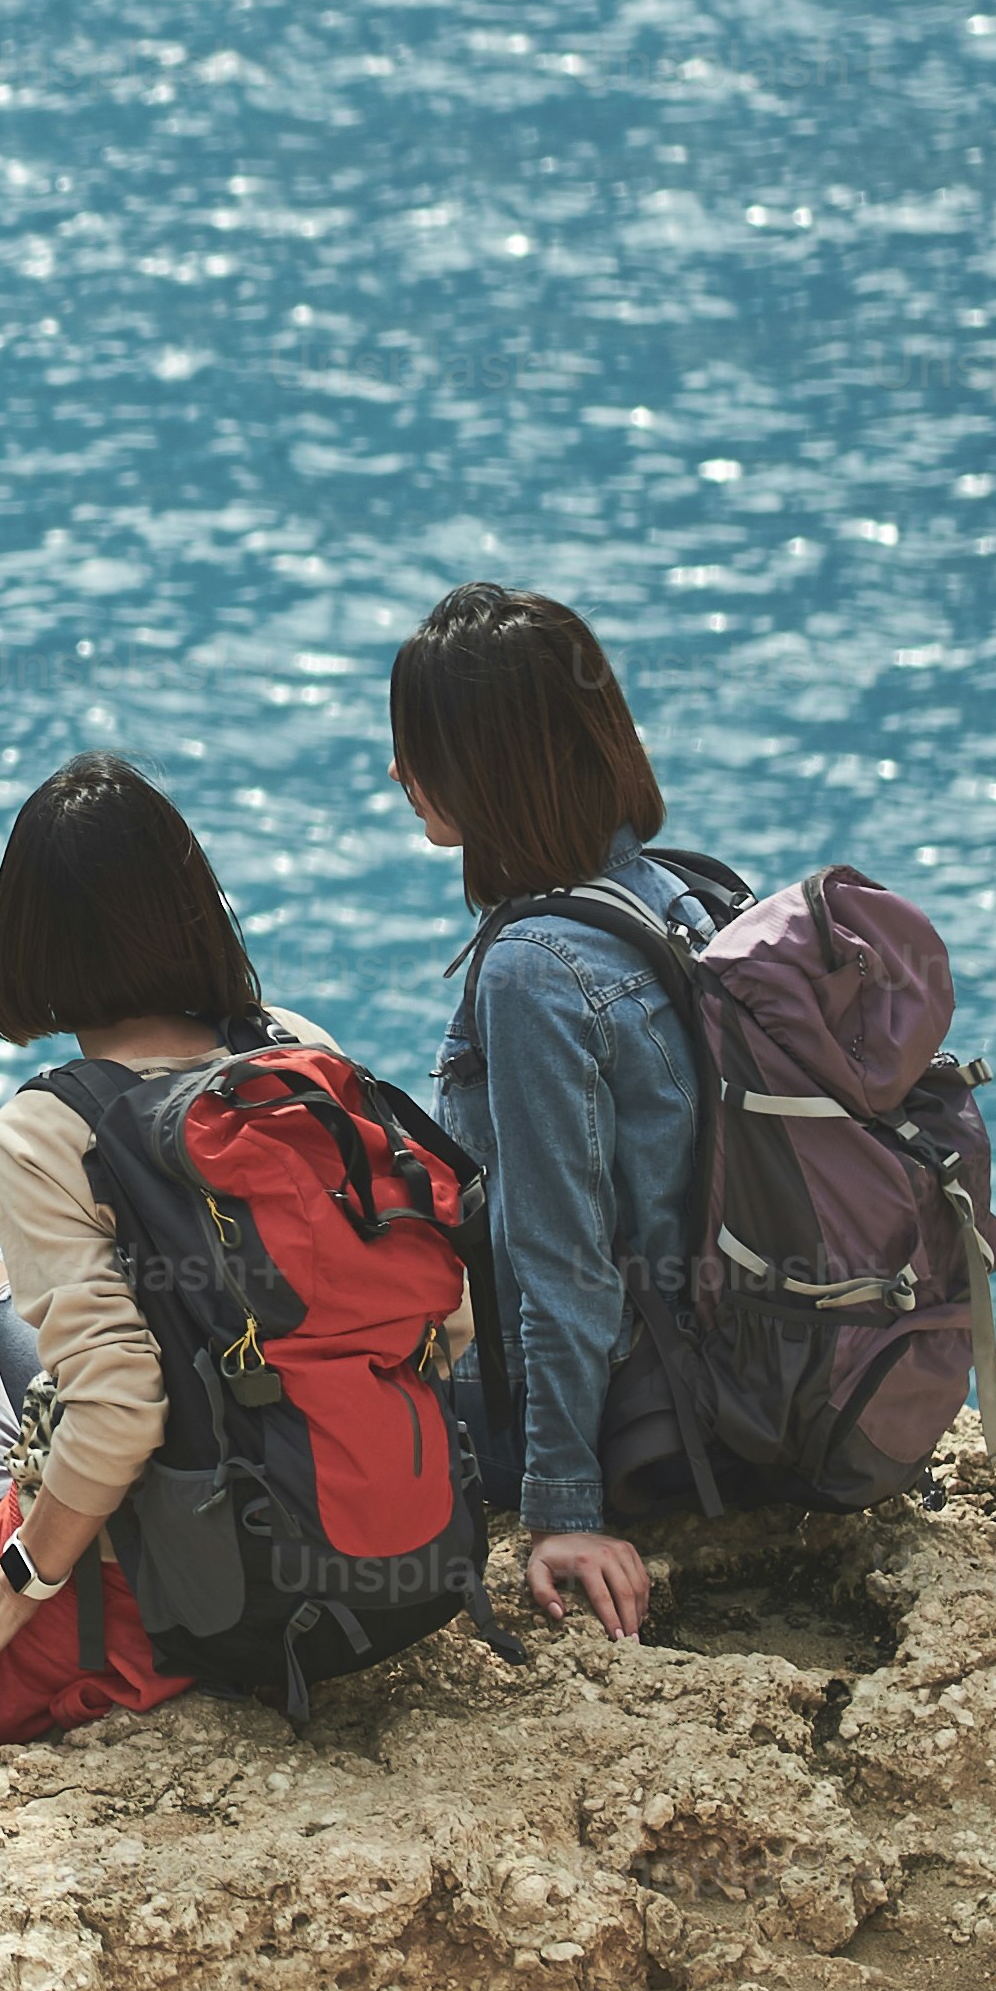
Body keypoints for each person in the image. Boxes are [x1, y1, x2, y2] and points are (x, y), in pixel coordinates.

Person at [0, 755, 356, 1722]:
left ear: (33, 942)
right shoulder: (298, 1062)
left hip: (121, 1611)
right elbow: (445, 1317)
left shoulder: (53, 1130)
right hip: (323, 1564)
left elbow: (125, 1408)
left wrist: (6, 1593)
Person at [388, 580, 697, 1643]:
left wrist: (559, 1509)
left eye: (417, 746)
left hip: (554, 1427)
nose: (397, 771)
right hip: (687, 1385)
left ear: (488, 763)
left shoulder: (530, 968)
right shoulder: (676, 895)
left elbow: (562, 1259)